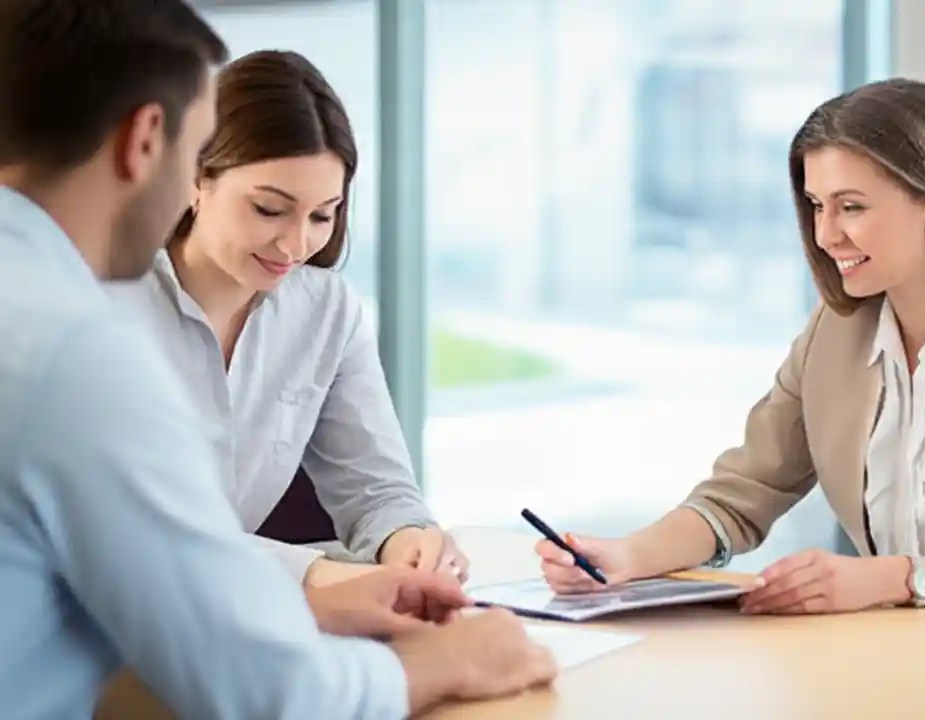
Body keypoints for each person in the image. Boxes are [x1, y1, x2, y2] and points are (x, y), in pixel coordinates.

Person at [0, 2, 553, 718]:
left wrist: (336, 591)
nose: (296, 243)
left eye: (322, 214)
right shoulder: (76, 345)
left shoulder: (32, 300)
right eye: (196, 146)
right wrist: (451, 660)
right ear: (150, 143)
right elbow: (259, 689)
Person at [537, 78, 925, 622]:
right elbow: (744, 493)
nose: (826, 235)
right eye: (817, 206)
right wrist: (626, 558)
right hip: (914, 652)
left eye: (852, 206)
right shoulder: (835, 334)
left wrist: (889, 580)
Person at [108, 49, 466, 588]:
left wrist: (409, 541)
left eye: (323, 215)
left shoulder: (327, 313)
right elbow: (132, 531)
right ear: (195, 180)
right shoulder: (103, 304)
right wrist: (316, 578)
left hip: (232, 623)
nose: (297, 244)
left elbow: (377, 492)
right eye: (269, 209)